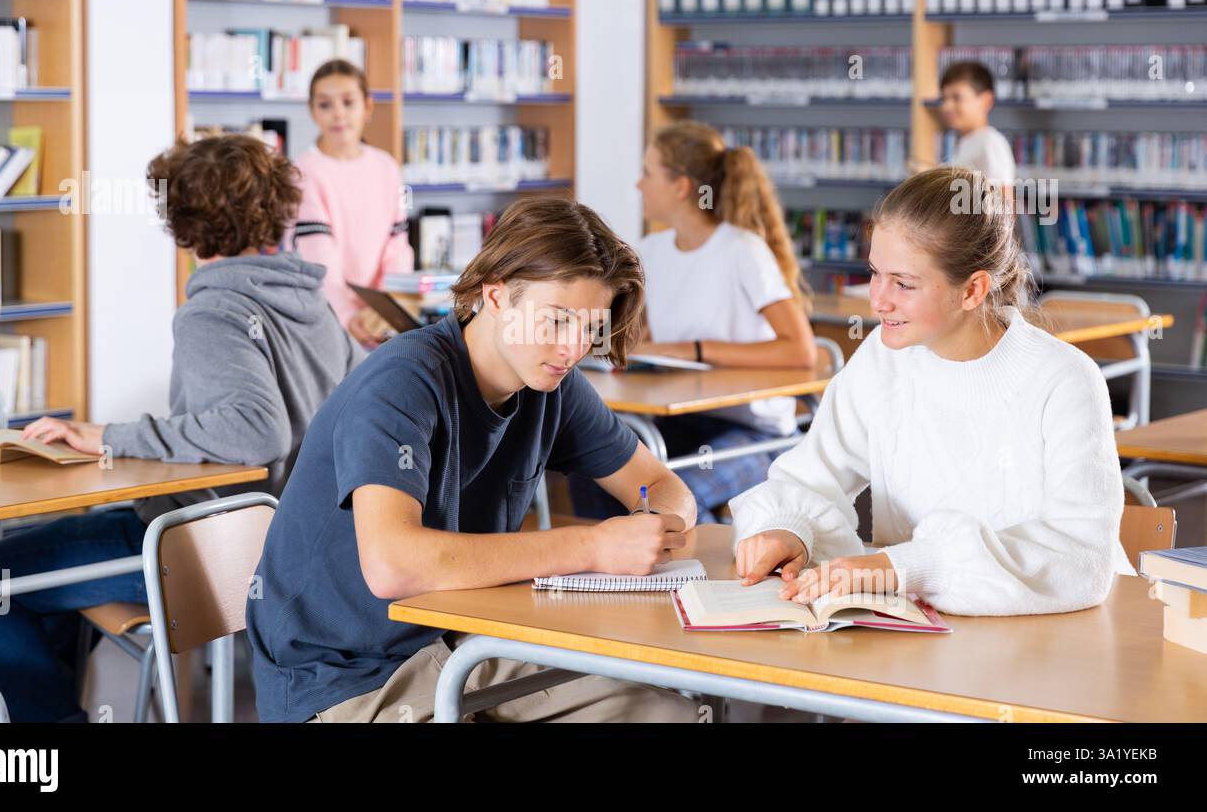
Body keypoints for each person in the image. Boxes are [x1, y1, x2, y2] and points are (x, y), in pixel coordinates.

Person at [0, 135, 364, 722]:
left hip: (207, 547)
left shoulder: (213, 313)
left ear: (186, 228)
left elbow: (256, 431)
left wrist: (110, 437)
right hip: (289, 545)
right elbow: (350, 403)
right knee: (65, 547)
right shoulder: (310, 300)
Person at [247, 197, 703, 723]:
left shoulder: (552, 382)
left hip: (466, 645)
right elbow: (393, 566)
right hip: (349, 679)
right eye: (555, 321)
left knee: (670, 715)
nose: (572, 347)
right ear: (495, 295)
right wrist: (595, 546)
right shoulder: (404, 381)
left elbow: (660, 484)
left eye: (588, 327)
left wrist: (652, 525)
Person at [731, 166, 1132, 616]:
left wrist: (898, 567)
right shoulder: (883, 360)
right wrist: (788, 530)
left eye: (903, 284)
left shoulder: (1065, 380)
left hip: (1052, 648)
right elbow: (812, 477)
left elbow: (1079, 556)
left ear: (973, 290)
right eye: (875, 273)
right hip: (916, 638)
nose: (878, 299)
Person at [569, 120, 817, 525]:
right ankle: (606, 578)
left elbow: (801, 350)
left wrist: (693, 350)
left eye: (648, 173)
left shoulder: (741, 250)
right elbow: (640, 338)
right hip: (677, 420)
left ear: (681, 186)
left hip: (758, 434)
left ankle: (707, 580)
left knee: (674, 499)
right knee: (593, 469)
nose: (638, 185)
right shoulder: (650, 251)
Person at [289, 59, 414, 345]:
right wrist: (348, 316)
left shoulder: (387, 167)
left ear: (367, 108)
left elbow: (397, 247)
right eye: (325, 105)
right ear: (311, 111)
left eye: (348, 102)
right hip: (323, 318)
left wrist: (384, 311)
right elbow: (318, 257)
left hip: (378, 320)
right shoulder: (303, 173)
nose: (338, 114)